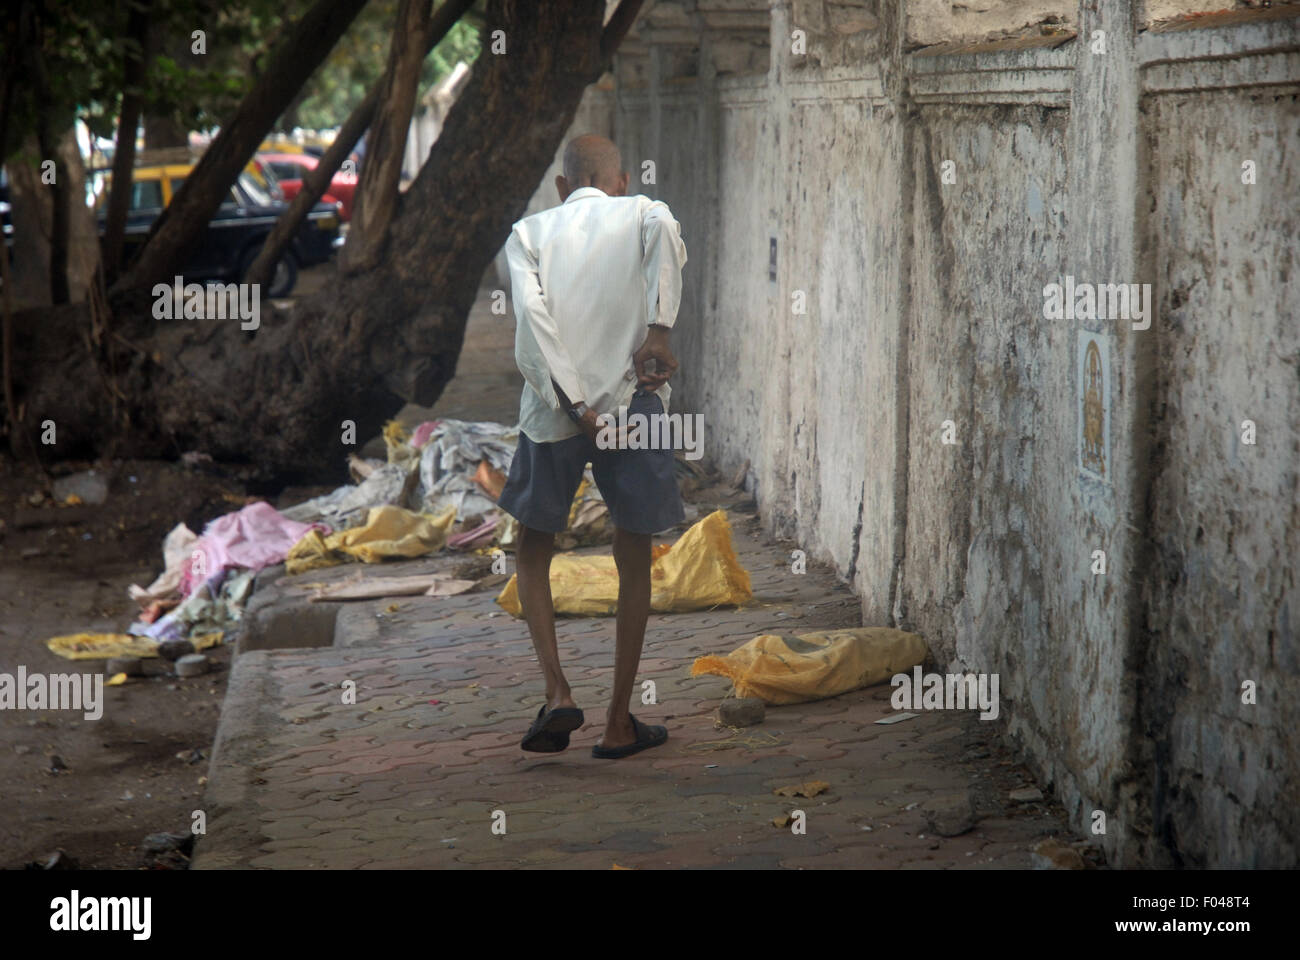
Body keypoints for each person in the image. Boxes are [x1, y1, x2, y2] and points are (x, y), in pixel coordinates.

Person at [498, 134, 688, 759]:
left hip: (555, 413)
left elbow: (534, 321)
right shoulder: (642, 213)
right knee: (633, 552)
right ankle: (617, 722)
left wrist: (576, 404)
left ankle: (557, 694)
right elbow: (665, 227)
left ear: (561, 186)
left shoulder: (527, 234)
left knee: (533, 548)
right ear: (622, 179)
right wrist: (659, 329)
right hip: (635, 403)